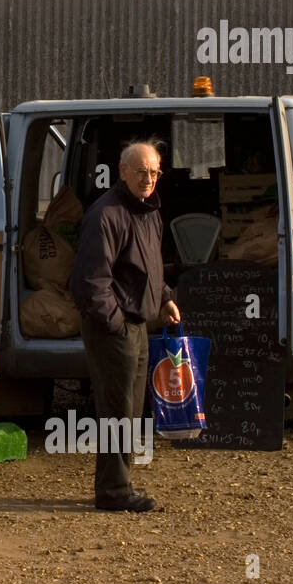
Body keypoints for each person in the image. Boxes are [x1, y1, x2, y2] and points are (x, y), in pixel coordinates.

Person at [69, 139, 182, 513]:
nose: (148, 179)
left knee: (130, 410)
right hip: (115, 330)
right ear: (122, 172)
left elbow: (150, 265)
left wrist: (163, 297)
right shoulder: (106, 214)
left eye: (154, 172)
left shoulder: (149, 211)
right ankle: (115, 492)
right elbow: (90, 282)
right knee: (117, 410)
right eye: (141, 171)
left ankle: (117, 484)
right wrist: (117, 325)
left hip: (137, 326)